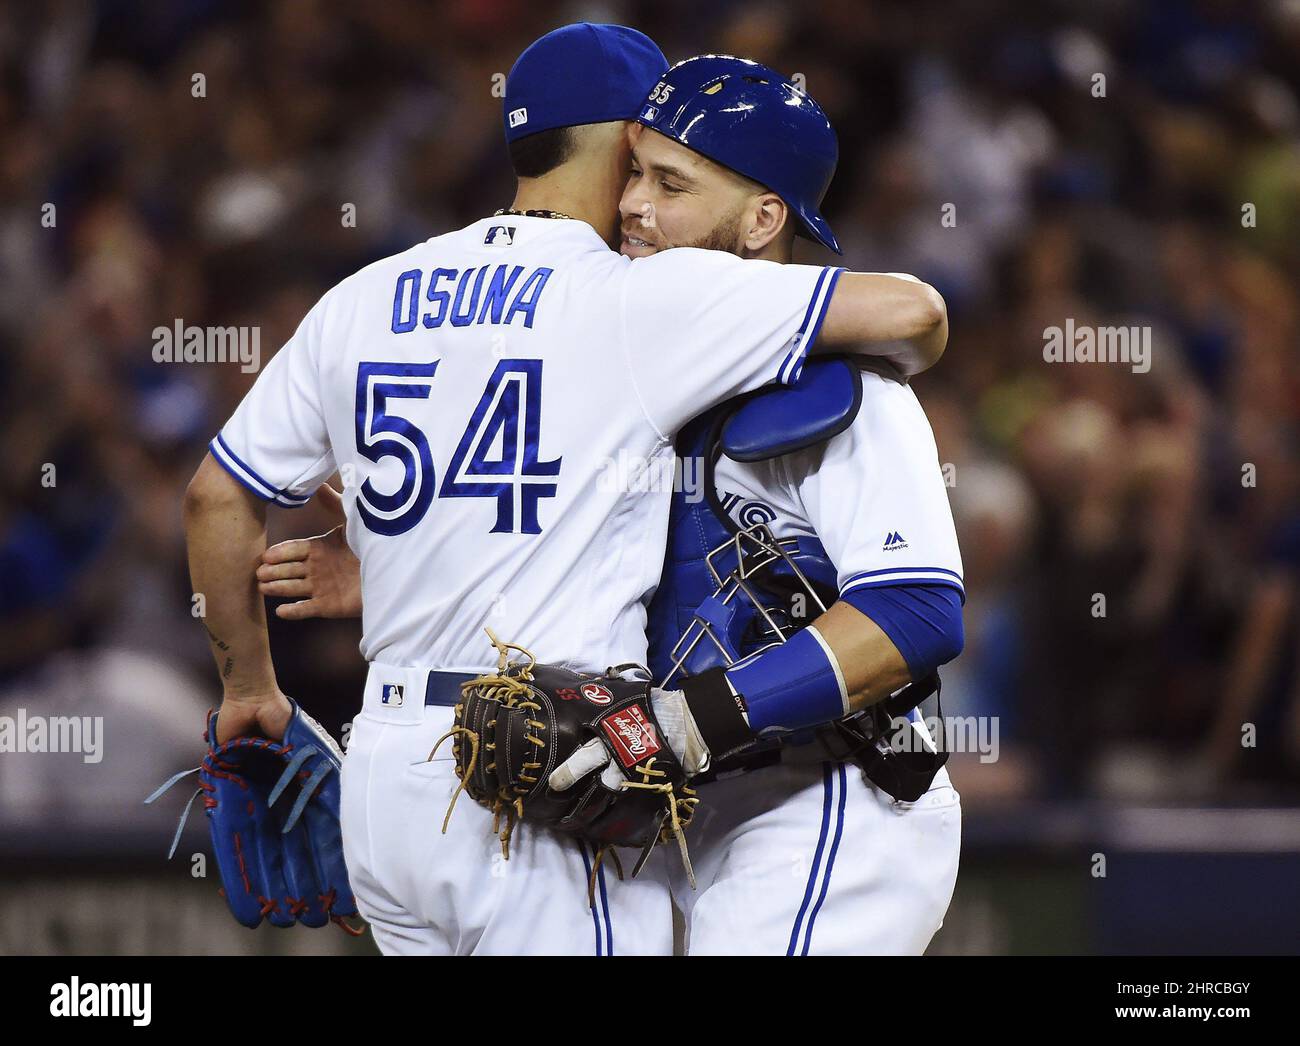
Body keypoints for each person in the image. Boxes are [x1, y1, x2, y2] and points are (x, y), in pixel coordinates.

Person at [184, 25, 949, 956]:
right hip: (630, 793)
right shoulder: (637, 323)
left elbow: (915, 611)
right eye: (636, 170)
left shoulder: (840, 383)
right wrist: (403, 561)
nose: (633, 204)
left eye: (668, 182)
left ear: (761, 217)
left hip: (823, 793)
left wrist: (686, 721)